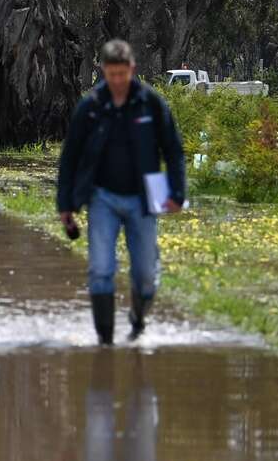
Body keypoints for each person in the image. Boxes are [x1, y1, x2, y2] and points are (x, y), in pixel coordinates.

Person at [57, 38, 187, 345]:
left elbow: (174, 150)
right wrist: (66, 203)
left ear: (132, 69)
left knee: (144, 274)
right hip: (102, 197)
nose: (116, 80)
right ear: (103, 71)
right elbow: (70, 157)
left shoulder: (151, 103)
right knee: (101, 269)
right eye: (111, 74)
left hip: (142, 199)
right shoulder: (90, 106)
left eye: (122, 74)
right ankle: (105, 341)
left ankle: (138, 318)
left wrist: (177, 194)